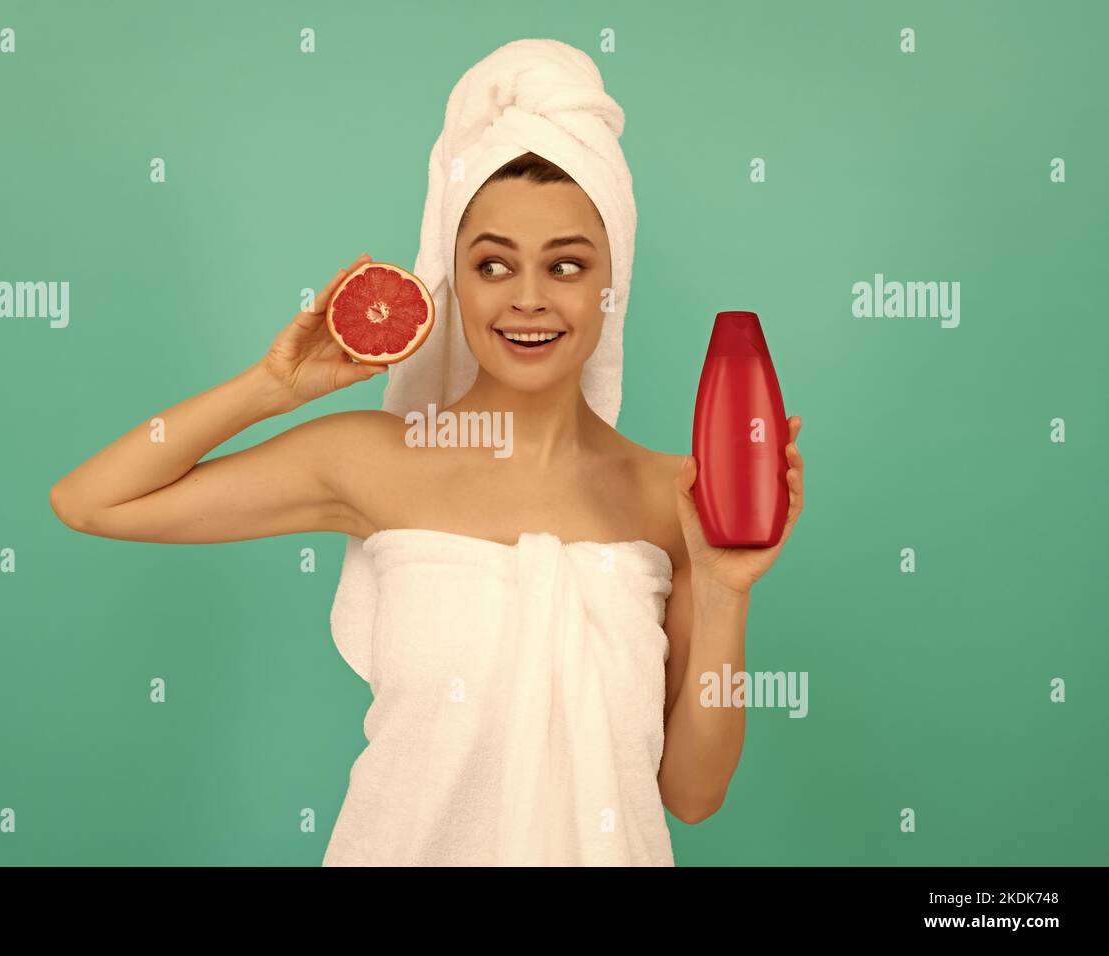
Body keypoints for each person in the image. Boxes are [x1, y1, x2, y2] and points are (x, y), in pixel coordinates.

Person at [49, 43, 805, 867]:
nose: (526, 297)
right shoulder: (374, 462)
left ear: (607, 285)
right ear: (454, 277)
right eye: (491, 264)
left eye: (566, 265)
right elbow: (92, 501)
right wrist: (273, 387)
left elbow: (693, 796)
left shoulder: (675, 496)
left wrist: (726, 592)